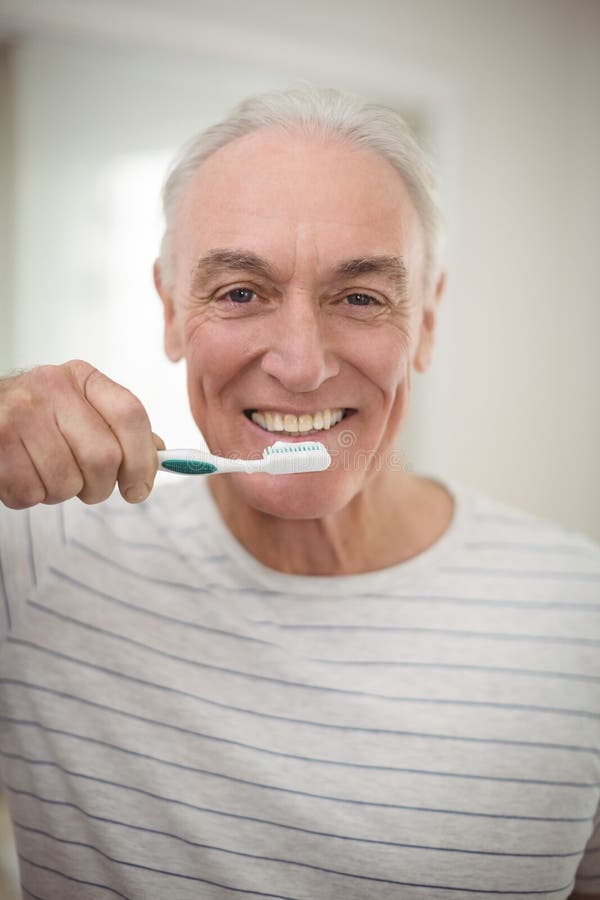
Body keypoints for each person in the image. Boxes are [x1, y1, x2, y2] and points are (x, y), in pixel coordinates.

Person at [0, 85, 599, 900]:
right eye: (241, 292)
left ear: (424, 320)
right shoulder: (38, 560)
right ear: (172, 310)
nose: (301, 363)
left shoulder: (580, 614)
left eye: (359, 297)